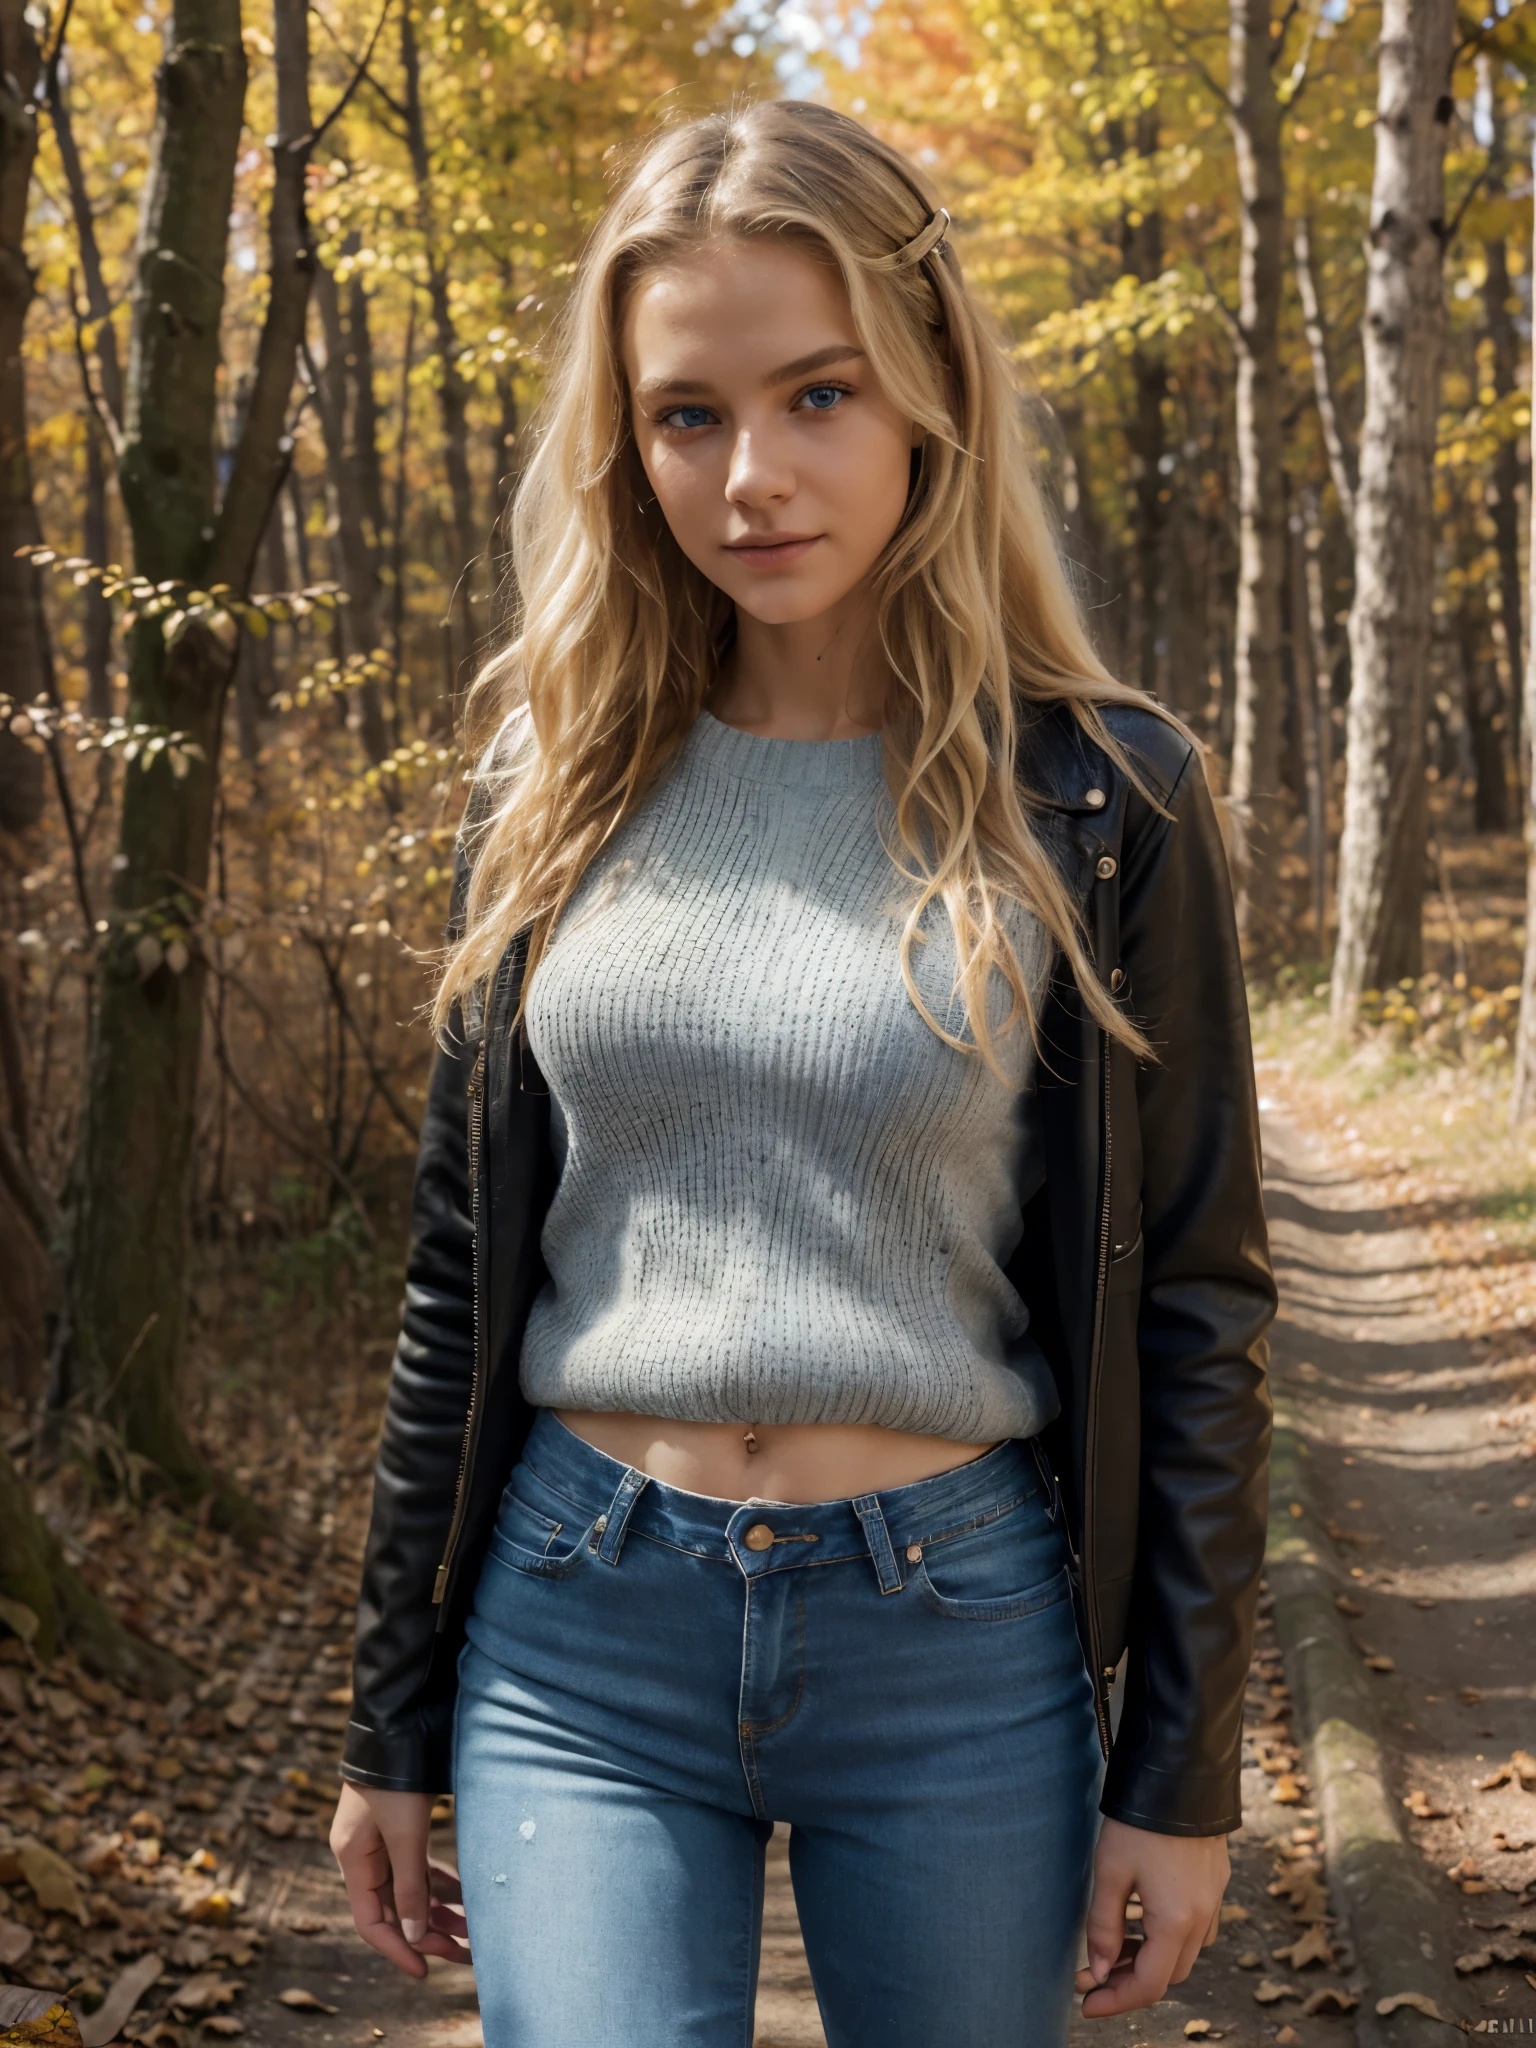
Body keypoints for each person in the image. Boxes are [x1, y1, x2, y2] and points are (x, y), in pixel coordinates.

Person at [328, 99, 1276, 2048]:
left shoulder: (1102, 799)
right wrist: (387, 1718)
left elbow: (1198, 1301)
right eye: (688, 413)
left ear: (927, 391)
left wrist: (1179, 1772)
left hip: (955, 1632)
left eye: (818, 392)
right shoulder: (551, 790)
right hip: (579, 1618)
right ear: (626, 435)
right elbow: (457, 1276)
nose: (753, 475)